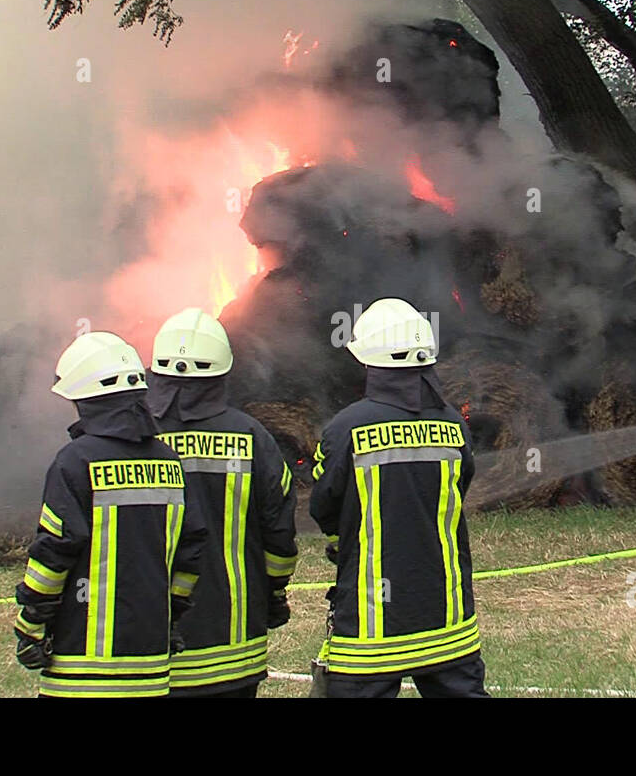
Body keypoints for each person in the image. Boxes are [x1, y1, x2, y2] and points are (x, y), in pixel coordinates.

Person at [309, 297, 488, 697]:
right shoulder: (453, 424)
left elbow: (324, 505)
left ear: (369, 361)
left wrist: (345, 537)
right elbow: (460, 487)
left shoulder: (346, 428)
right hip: (448, 620)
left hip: (372, 629)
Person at [14, 331, 206, 698]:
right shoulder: (168, 461)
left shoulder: (75, 462)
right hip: (151, 665)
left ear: (86, 400)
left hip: (82, 664)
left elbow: (54, 552)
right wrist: (172, 615)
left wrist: (31, 624)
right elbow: (191, 550)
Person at [148, 308, 298, 698]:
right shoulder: (253, 438)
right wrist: (274, 592)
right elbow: (280, 531)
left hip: (146, 644)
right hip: (234, 641)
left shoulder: (131, 439)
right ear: (222, 373)